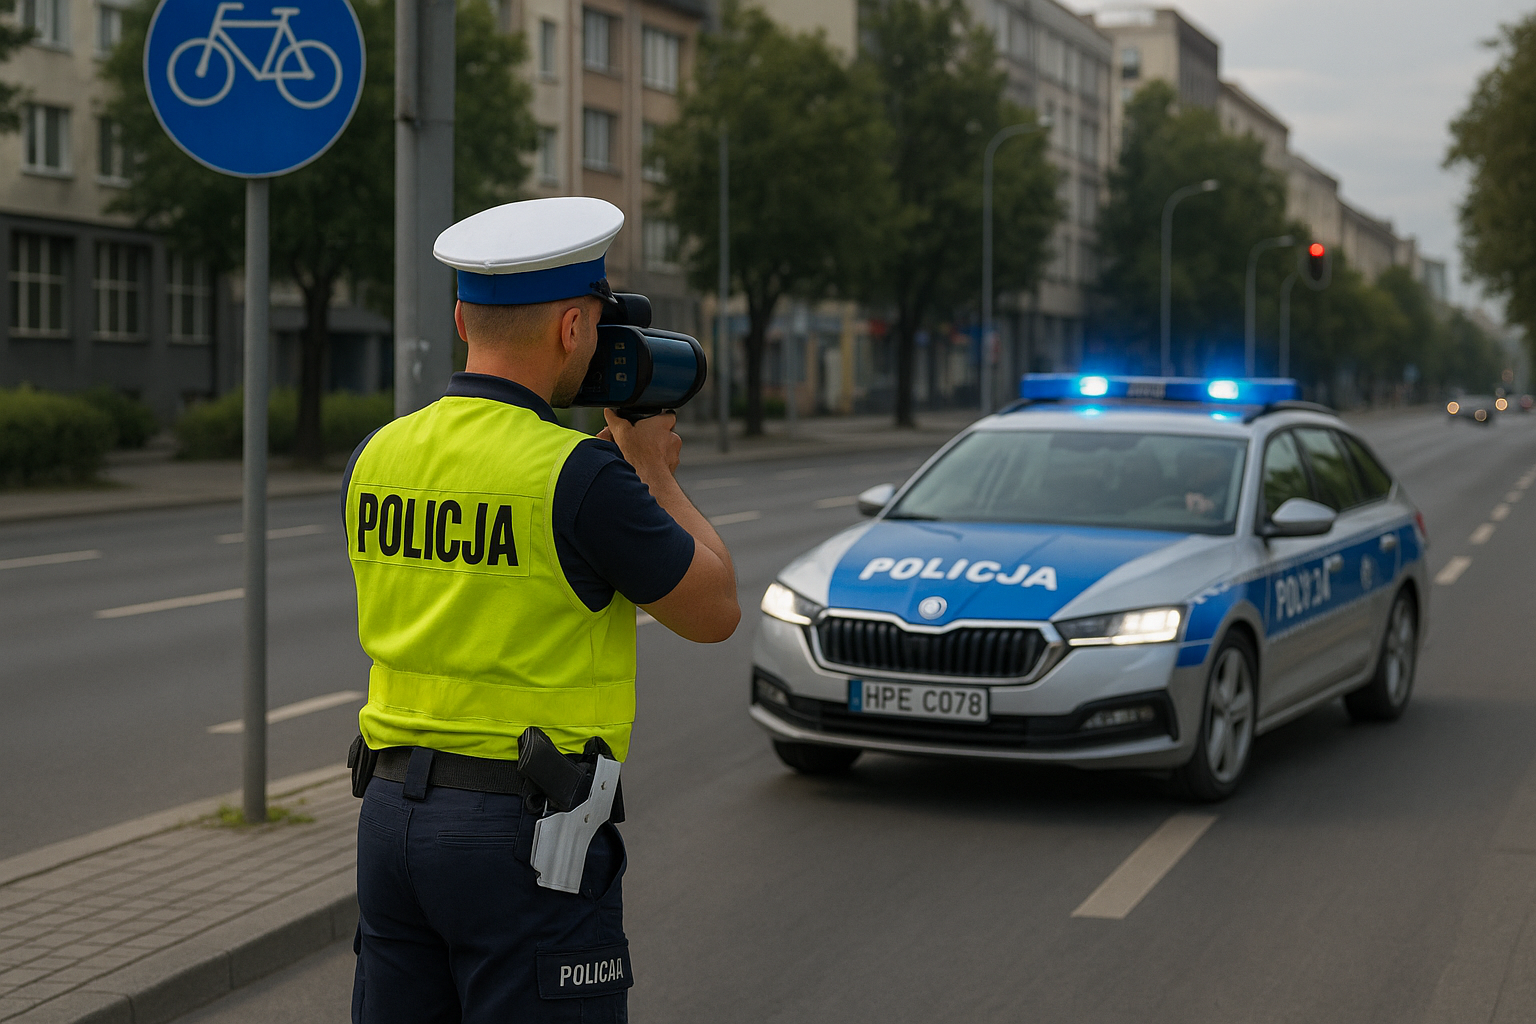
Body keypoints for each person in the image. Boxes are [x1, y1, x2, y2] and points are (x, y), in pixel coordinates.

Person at [342, 196, 739, 1023]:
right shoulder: (577, 475)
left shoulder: (377, 453)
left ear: (462, 320)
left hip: (388, 818)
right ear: (572, 327)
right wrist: (652, 470)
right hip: (523, 832)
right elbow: (714, 610)